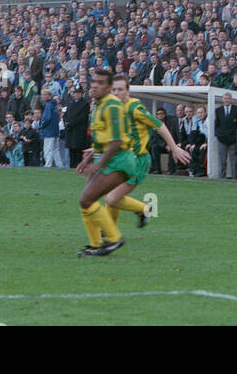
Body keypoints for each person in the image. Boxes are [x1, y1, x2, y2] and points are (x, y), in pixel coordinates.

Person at [106, 73, 190, 229]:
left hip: (137, 161)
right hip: (122, 159)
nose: (116, 93)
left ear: (127, 91)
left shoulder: (135, 107)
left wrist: (174, 147)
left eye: (120, 89)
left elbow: (159, 125)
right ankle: (112, 231)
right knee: (111, 195)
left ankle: (140, 212)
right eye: (114, 90)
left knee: (111, 198)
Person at [74, 68, 134, 257]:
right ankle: (96, 244)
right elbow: (103, 139)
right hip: (108, 159)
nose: (95, 86)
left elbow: (117, 141)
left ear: (108, 88)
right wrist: (89, 158)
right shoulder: (99, 106)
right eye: (94, 82)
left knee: (87, 198)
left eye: (100, 83)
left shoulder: (112, 106)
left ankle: (114, 238)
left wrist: (98, 164)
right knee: (86, 200)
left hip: (120, 161)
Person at [214, 92, 237, 179]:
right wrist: (219, 136)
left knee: (234, 161)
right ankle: (221, 178)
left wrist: (235, 137)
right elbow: (217, 125)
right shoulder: (218, 110)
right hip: (222, 140)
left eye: (228, 98)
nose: (227, 100)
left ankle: (235, 179)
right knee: (222, 161)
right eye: (225, 98)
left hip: (233, 140)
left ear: (231, 99)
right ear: (222, 99)